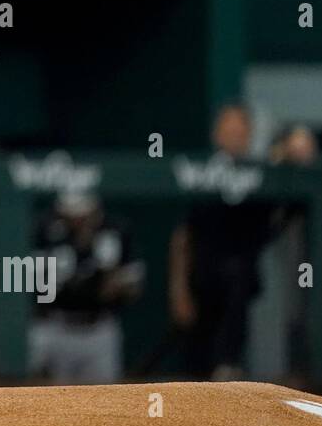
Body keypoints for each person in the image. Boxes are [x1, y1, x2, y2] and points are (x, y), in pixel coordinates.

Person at [168, 102, 280, 381]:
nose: (234, 137)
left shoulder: (264, 177)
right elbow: (183, 237)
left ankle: (227, 367)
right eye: (228, 131)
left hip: (238, 287)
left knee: (227, 364)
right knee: (194, 368)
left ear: (250, 136)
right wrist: (179, 290)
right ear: (216, 135)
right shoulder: (200, 176)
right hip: (201, 283)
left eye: (240, 132)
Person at [29, 192, 144, 384]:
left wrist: (114, 283)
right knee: (51, 399)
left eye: (82, 216)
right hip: (58, 325)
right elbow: (32, 281)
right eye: (71, 216)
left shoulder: (115, 231)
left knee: (104, 399)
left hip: (98, 327)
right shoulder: (48, 231)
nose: (77, 221)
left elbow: (134, 283)